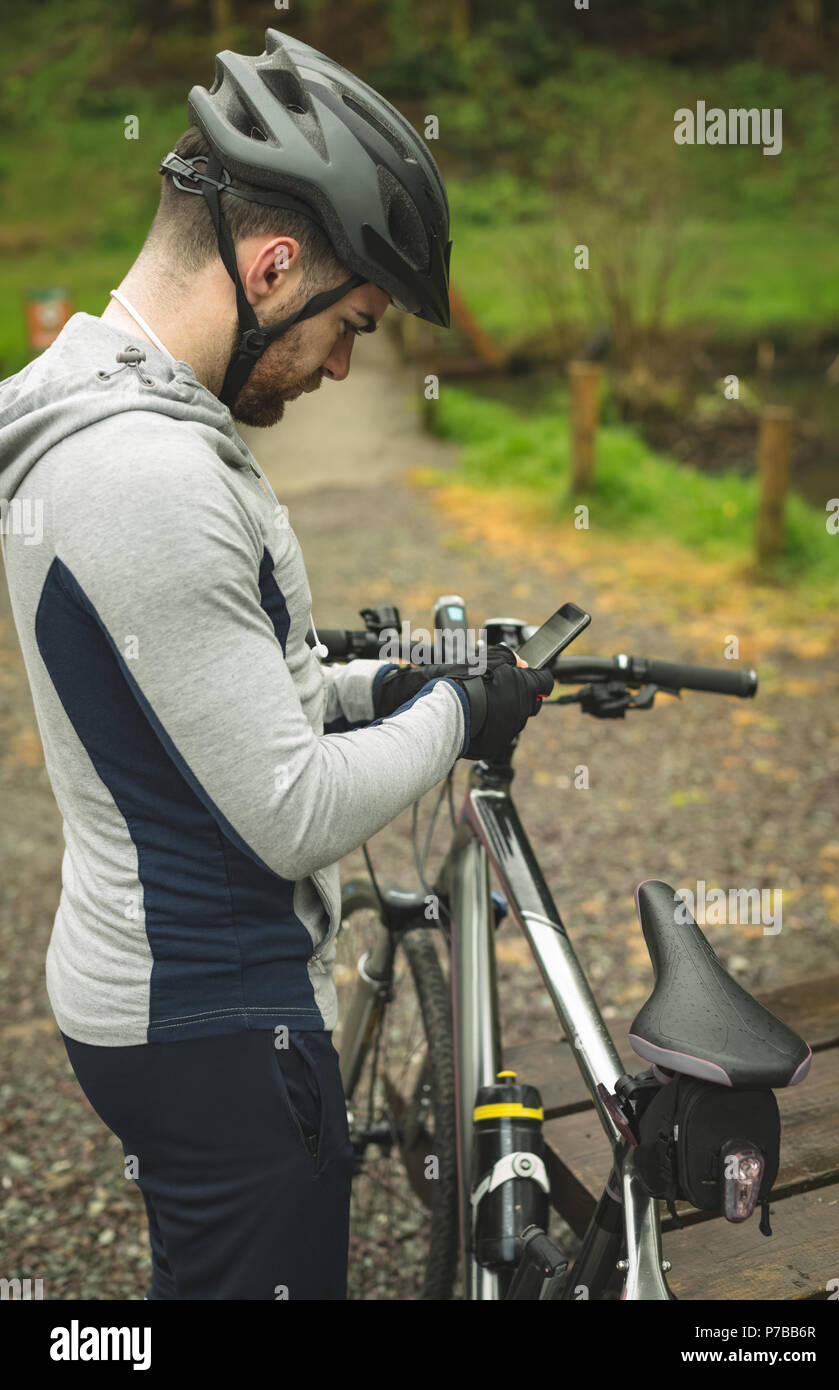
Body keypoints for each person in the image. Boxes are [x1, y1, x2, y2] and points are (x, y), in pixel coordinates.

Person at [0, 29, 552, 1300]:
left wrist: (381, 687)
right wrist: (461, 709)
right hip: (212, 1017)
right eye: (349, 323)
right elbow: (291, 810)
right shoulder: (145, 474)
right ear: (272, 263)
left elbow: (228, 699)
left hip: (156, 989)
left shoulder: (103, 408)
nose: (345, 366)